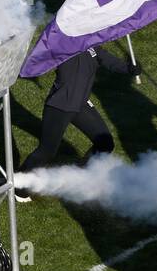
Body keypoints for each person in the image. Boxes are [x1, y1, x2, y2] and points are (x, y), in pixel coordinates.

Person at [15, 44, 137, 201]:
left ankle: (80, 175)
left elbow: (110, 62)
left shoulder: (93, 47)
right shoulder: (63, 45)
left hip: (81, 105)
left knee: (105, 143)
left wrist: (129, 69)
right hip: (60, 105)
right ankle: (20, 186)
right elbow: (37, 60)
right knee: (47, 150)